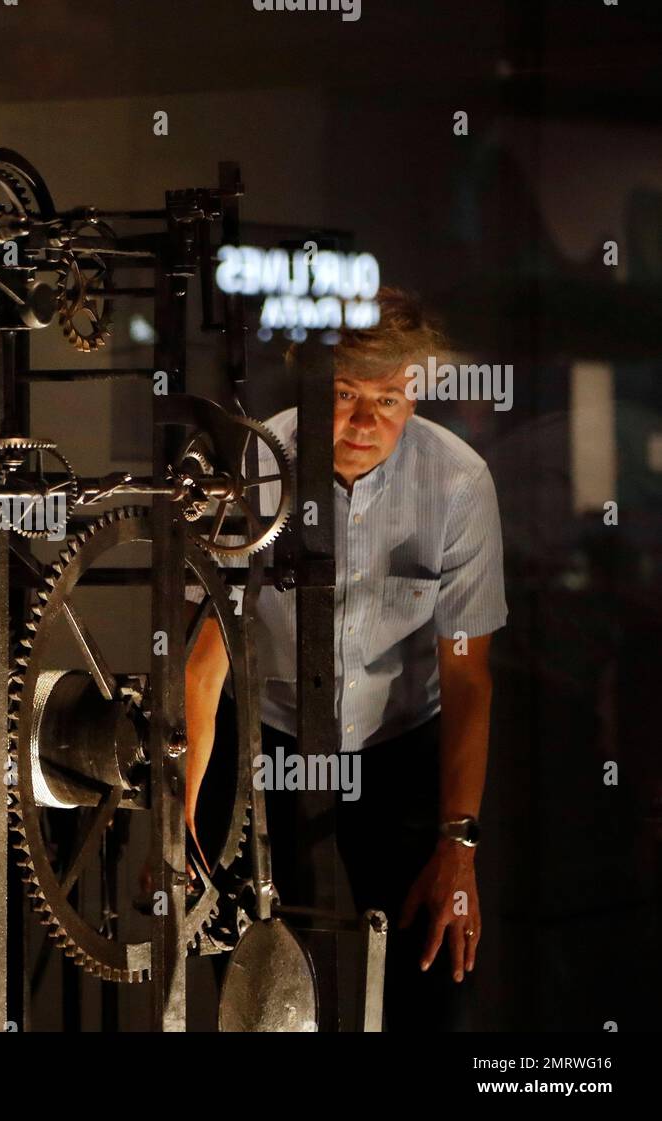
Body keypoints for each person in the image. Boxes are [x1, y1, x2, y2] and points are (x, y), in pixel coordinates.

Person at [184, 287, 507, 1030]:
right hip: (266, 739)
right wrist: (182, 827)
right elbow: (205, 665)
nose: (365, 422)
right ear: (311, 381)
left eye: (389, 400)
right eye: (345, 393)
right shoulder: (262, 463)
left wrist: (458, 845)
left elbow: (466, 677)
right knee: (249, 976)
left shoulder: (458, 483)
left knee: (425, 969)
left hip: (399, 745)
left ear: (416, 393)